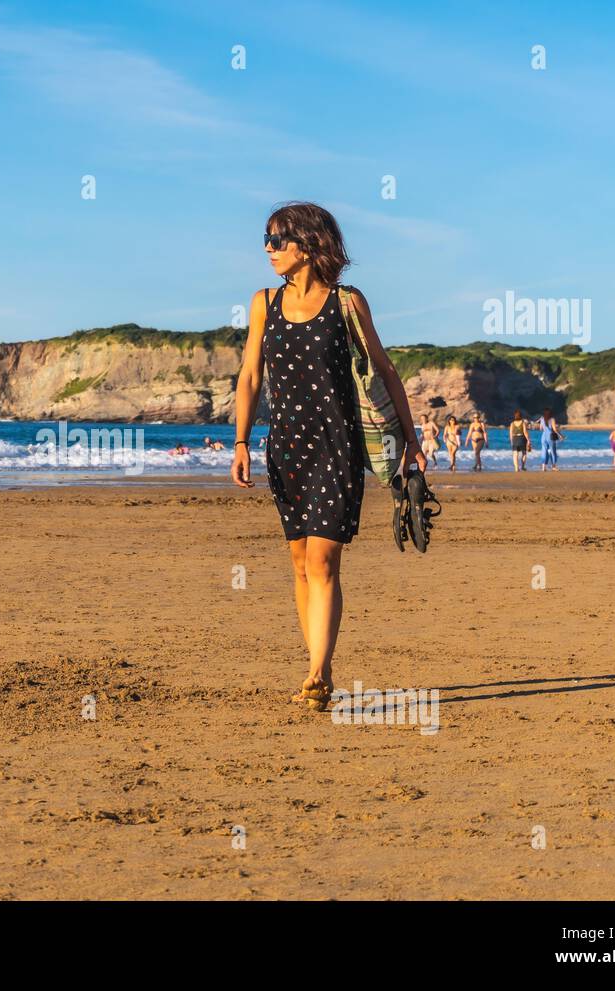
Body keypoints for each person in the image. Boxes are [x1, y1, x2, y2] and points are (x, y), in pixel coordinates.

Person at [231, 201, 424, 709]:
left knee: (323, 559)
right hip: (285, 447)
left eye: (278, 240)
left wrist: (413, 443)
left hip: (336, 445)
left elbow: (384, 371)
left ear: (308, 245)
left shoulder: (347, 303)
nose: (268, 250)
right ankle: (320, 663)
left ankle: (317, 669)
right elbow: (250, 376)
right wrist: (241, 442)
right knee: (299, 562)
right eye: (267, 240)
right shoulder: (263, 303)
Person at [538, 407, 563, 471]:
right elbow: (554, 429)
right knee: (553, 452)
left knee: (544, 451)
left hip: (543, 437)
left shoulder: (542, 418)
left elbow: (540, 428)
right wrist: (560, 435)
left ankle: (543, 467)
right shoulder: (552, 419)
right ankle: (554, 466)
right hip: (550, 436)